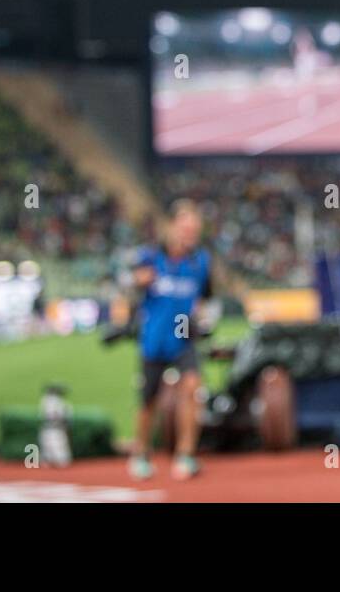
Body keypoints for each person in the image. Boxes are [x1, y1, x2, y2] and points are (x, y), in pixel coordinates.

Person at [129, 199, 213, 481]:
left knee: (191, 387)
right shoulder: (150, 257)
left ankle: (185, 454)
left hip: (183, 339)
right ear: (173, 227)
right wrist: (139, 281)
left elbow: (203, 297)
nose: (190, 234)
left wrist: (200, 318)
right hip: (154, 340)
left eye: (194, 230)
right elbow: (131, 284)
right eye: (185, 228)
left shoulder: (201, 261)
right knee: (149, 402)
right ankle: (140, 453)